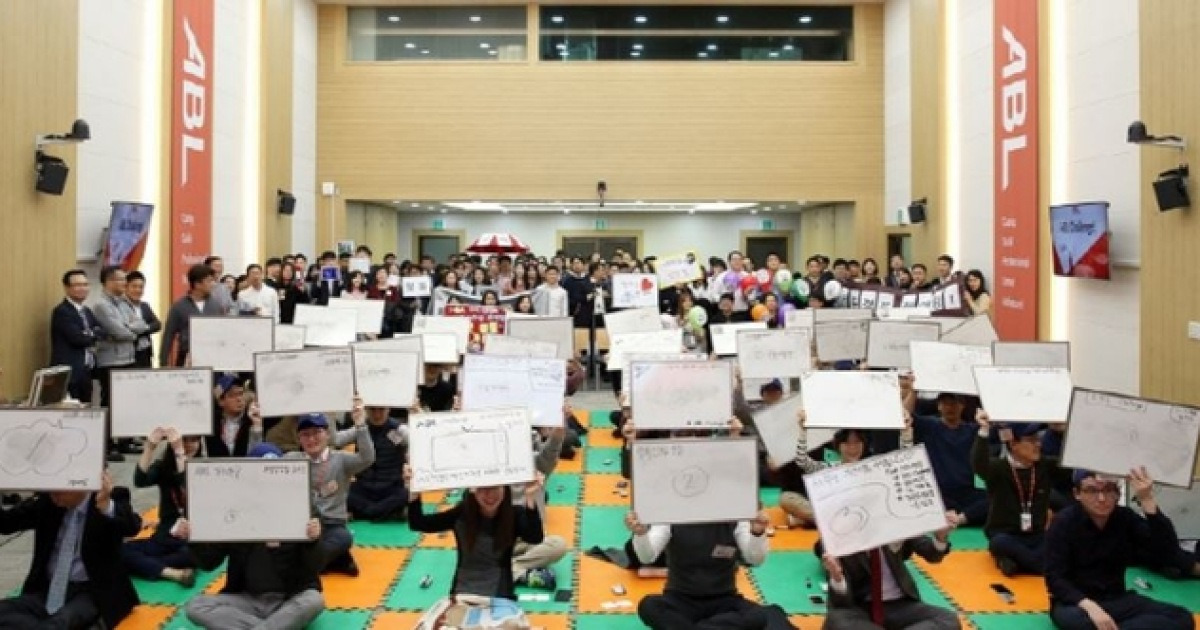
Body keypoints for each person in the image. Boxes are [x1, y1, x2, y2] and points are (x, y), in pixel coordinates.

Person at [180, 443, 326, 630]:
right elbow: (209, 563)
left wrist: (313, 541)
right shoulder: (234, 512)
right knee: (195, 606)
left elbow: (316, 566)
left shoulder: (302, 508)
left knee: (314, 600)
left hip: (288, 598)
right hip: (246, 600)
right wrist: (193, 538)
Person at [1045, 468, 1195, 630]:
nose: (1101, 498)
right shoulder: (1063, 522)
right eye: (1092, 491)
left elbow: (1166, 549)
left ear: (1118, 493)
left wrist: (1146, 498)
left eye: (1108, 490)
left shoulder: (1125, 517)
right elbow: (1055, 578)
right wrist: (1091, 607)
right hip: (1077, 603)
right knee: (1078, 622)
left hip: (1118, 599)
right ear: (1077, 493)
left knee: (1183, 618)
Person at [0, 470, 142, 630]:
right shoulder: (48, 502)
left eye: (60, 489)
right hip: (48, 590)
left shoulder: (109, 498)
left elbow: (132, 526)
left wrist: (106, 506)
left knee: (58, 624)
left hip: (91, 591)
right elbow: (6, 523)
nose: (55, 494)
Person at [405, 467, 546, 600]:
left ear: (505, 489)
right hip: (463, 592)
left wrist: (530, 497)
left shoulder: (514, 514)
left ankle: (519, 572)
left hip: (499, 594)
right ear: (473, 491)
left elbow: (535, 537)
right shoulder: (462, 514)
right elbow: (418, 523)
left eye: (495, 488)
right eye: (483, 489)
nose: (490, 495)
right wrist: (414, 490)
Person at [626, 507, 772, 629]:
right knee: (649, 606)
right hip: (680, 599)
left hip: (724, 600)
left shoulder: (736, 516)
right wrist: (641, 534)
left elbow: (755, 560)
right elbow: (647, 557)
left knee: (757, 616)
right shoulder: (670, 513)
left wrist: (757, 533)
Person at [818, 514, 961, 630]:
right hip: (860, 608)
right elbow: (840, 603)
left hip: (901, 604)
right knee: (837, 622)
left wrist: (940, 537)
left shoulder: (897, 519)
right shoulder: (836, 536)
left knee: (948, 620)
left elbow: (931, 554)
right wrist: (837, 577)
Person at [972, 412, 1067, 576]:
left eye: (1038, 439)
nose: (1038, 444)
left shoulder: (1044, 466)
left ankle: (1016, 562)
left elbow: (1072, 466)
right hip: (1006, 534)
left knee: (1062, 543)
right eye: (1031, 440)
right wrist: (984, 430)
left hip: (1036, 536)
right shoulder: (998, 468)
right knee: (999, 543)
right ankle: (1040, 566)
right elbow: (979, 463)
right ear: (1014, 444)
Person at [285, 407, 375, 576]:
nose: (311, 439)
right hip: (303, 525)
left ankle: (312, 564)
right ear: (299, 438)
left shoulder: (341, 459)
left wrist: (361, 425)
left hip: (332, 524)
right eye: (305, 434)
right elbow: (260, 468)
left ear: (327, 434)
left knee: (344, 538)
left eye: (316, 432)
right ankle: (334, 561)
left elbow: (367, 458)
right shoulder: (292, 459)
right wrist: (256, 428)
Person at [122, 427, 200, 586]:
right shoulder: (163, 466)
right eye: (185, 439)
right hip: (164, 537)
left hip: (190, 541)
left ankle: (150, 565)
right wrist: (150, 446)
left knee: (195, 556)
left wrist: (179, 451)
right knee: (120, 551)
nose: (189, 444)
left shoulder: (203, 468)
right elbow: (140, 480)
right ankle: (173, 573)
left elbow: (186, 484)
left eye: (195, 439)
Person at [913, 393, 986, 526]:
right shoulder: (929, 426)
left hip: (966, 492)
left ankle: (960, 519)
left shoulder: (972, 430)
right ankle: (960, 516)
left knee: (997, 499)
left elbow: (996, 429)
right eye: (945, 403)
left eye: (954, 403)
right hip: (938, 493)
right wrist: (912, 389)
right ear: (939, 406)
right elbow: (906, 415)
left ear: (962, 406)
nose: (950, 407)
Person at [335, 405, 409, 522]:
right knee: (340, 491)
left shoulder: (398, 429)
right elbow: (336, 440)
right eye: (372, 410)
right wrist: (329, 415)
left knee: (406, 495)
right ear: (366, 410)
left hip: (391, 488)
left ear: (388, 409)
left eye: (381, 409)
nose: (377, 414)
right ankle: (382, 513)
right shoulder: (360, 428)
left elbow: (417, 440)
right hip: (364, 488)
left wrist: (417, 414)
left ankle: (366, 513)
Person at [50, 269, 100, 403]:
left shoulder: (86, 311)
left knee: (87, 409)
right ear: (67, 288)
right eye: (77, 285)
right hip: (70, 373)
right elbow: (77, 339)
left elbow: (102, 331)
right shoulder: (62, 311)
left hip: (86, 371)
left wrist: (90, 334)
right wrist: (92, 334)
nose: (82, 288)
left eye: (85, 284)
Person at [160, 264, 225, 366]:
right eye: (209, 281)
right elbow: (168, 335)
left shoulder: (216, 305)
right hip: (186, 358)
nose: (212, 284)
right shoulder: (178, 306)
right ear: (197, 284)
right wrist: (163, 362)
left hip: (212, 358)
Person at [206, 375, 264, 458]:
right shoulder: (212, 424)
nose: (239, 399)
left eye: (241, 393)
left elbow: (256, 454)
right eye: (232, 395)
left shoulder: (252, 419)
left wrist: (257, 427)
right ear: (221, 401)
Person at [125, 271, 162, 367]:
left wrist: (143, 328)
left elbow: (157, 324)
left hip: (146, 353)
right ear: (126, 287)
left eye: (141, 287)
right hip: (129, 355)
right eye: (134, 286)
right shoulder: (122, 306)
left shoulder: (145, 306)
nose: (138, 290)